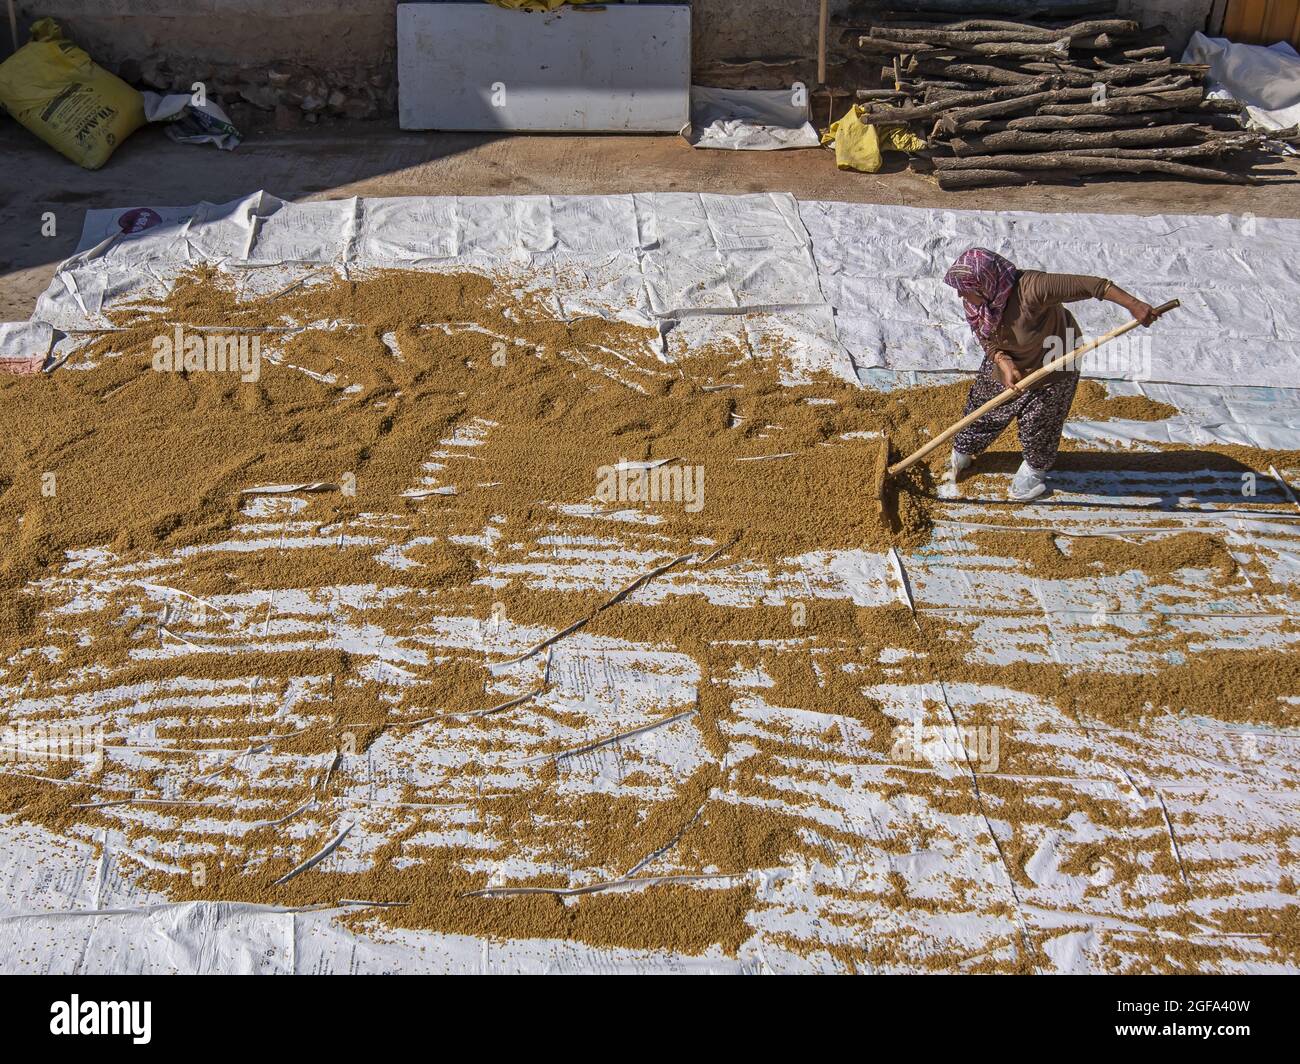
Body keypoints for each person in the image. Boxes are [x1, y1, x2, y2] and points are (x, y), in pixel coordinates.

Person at [942, 247, 1157, 501]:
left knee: (1040, 422)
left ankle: (1034, 470)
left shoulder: (1033, 288)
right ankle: (965, 449)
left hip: (1054, 361)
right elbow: (986, 339)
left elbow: (1095, 286)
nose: (959, 295)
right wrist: (1004, 361)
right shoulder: (977, 304)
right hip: (1011, 360)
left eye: (965, 289)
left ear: (985, 283)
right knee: (984, 407)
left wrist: (1134, 304)